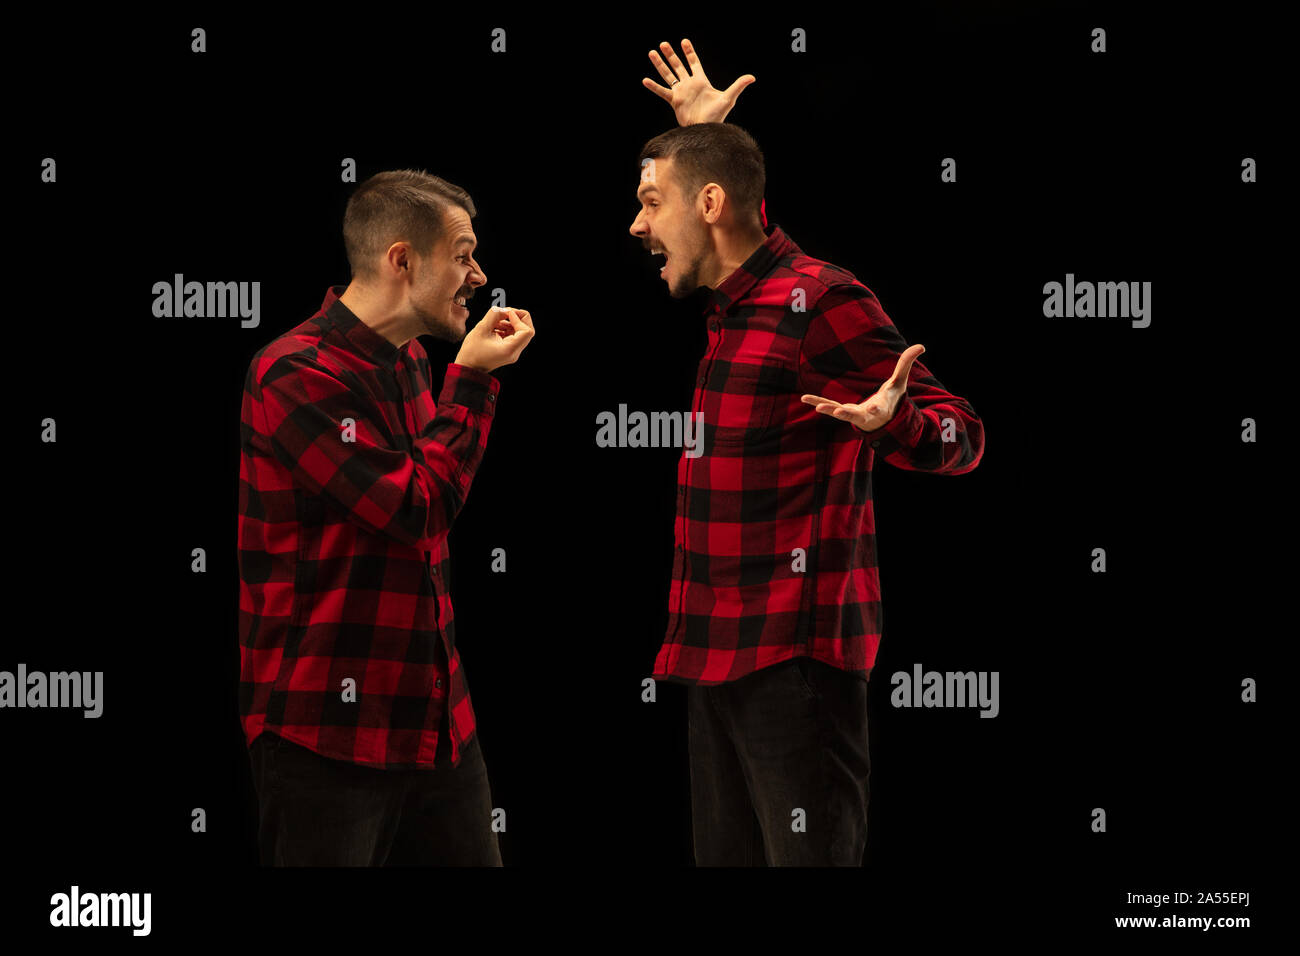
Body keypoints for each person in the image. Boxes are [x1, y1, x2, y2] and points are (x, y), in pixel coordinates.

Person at [633, 41, 985, 865]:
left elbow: (963, 434)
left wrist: (892, 424)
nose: (638, 224)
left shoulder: (822, 299)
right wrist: (702, 141)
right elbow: (727, 209)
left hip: (795, 667)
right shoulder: (731, 308)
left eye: (653, 202)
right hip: (711, 656)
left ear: (709, 203)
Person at [236, 169, 534, 865]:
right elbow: (416, 507)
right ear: (403, 260)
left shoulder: (407, 365)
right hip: (326, 736)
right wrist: (475, 380)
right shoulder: (294, 373)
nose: (479, 275)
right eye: (463, 255)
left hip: (437, 725)